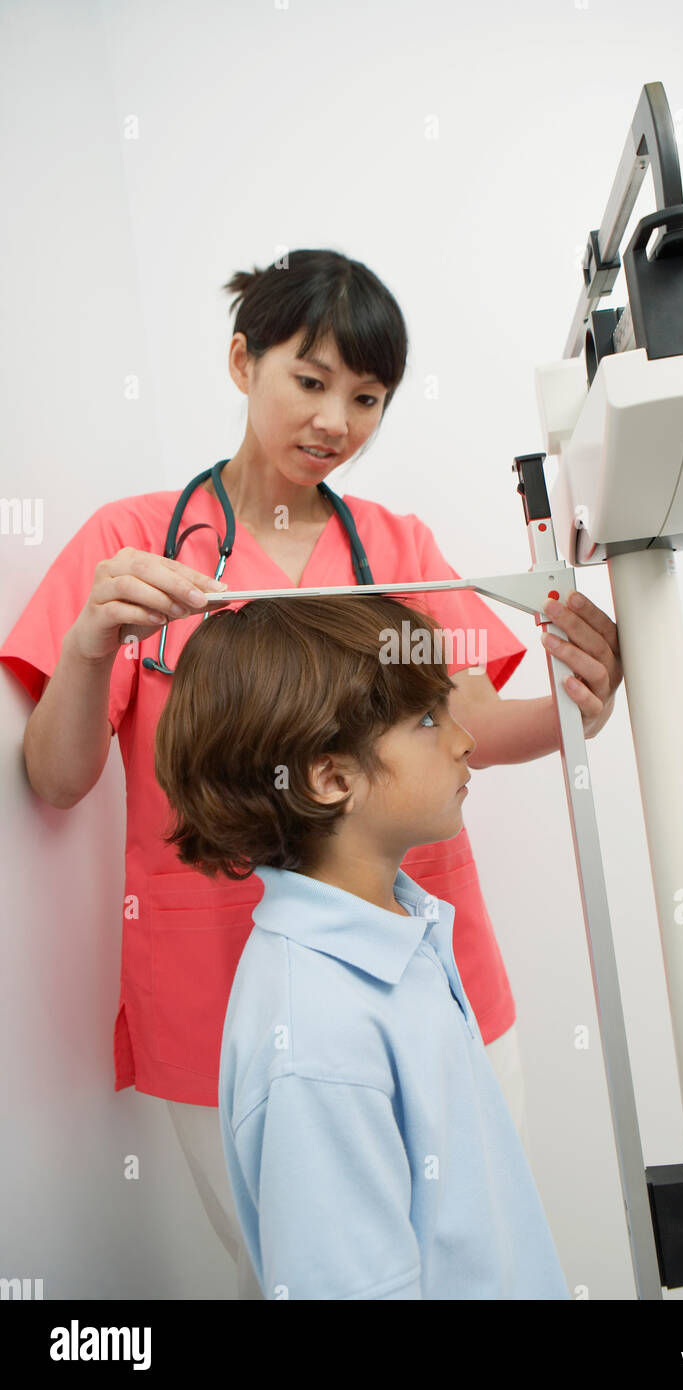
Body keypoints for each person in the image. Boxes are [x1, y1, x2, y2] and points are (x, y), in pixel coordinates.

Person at [0, 248, 622, 1300]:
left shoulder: (392, 548)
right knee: (298, 1272)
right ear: (243, 362)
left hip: (419, 966)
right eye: (310, 379)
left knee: (481, 1252)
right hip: (215, 989)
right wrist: (94, 641)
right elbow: (58, 781)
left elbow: (468, 719)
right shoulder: (135, 544)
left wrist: (583, 708)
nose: (336, 418)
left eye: (366, 396)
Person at [153, 591, 572, 1300]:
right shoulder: (317, 1039)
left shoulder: (401, 933)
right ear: (330, 778)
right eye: (429, 718)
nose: (464, 740)